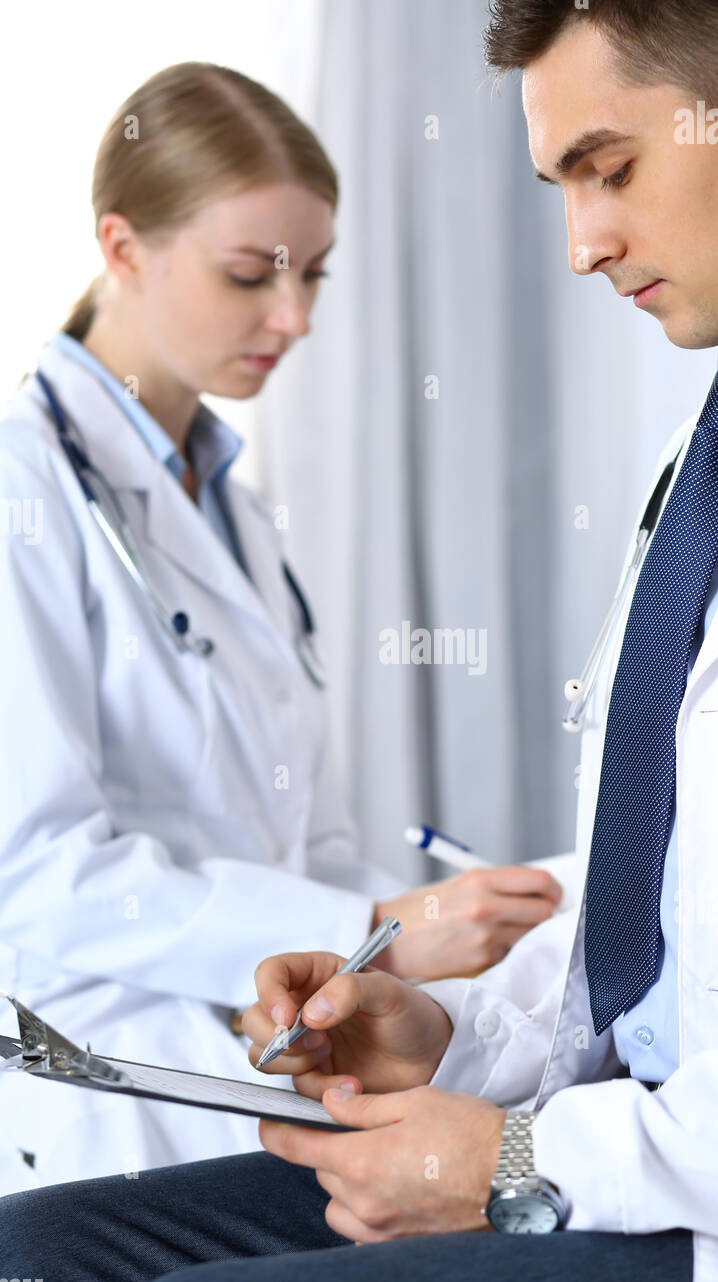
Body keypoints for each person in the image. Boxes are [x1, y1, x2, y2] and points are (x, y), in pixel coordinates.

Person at [4, 0, 718, 1282]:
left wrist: (517, 1139)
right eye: (252, 272)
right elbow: (703, 900)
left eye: (608, 167)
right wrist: (437, 1020)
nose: (581, 245)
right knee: (38, 1257)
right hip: (632, 1138)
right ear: (119, 249)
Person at [0, 60, 563, 1199]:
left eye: (311, 274)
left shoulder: (234, 510)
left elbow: (296, 839)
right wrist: (374, 927)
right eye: (251, 273)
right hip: (97, 1107)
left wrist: (417, 934)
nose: (294, 317)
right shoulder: (24, 489)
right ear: (122, 247)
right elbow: (36, 874)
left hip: (250, 1071)